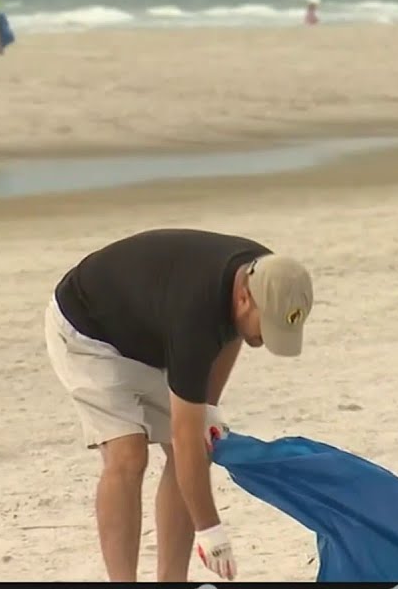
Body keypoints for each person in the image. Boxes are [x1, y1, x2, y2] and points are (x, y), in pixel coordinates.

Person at [43, 228, 315, 582]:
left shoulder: (268, 275)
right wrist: (210, 531)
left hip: (149, 331)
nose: (264, 341)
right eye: (266, 327)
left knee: (194, 444)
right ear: (246, 299)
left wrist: (209, 408)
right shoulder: (197, 313)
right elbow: (185, 435)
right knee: (129, 454)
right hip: (88, 331)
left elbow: (231, 332)